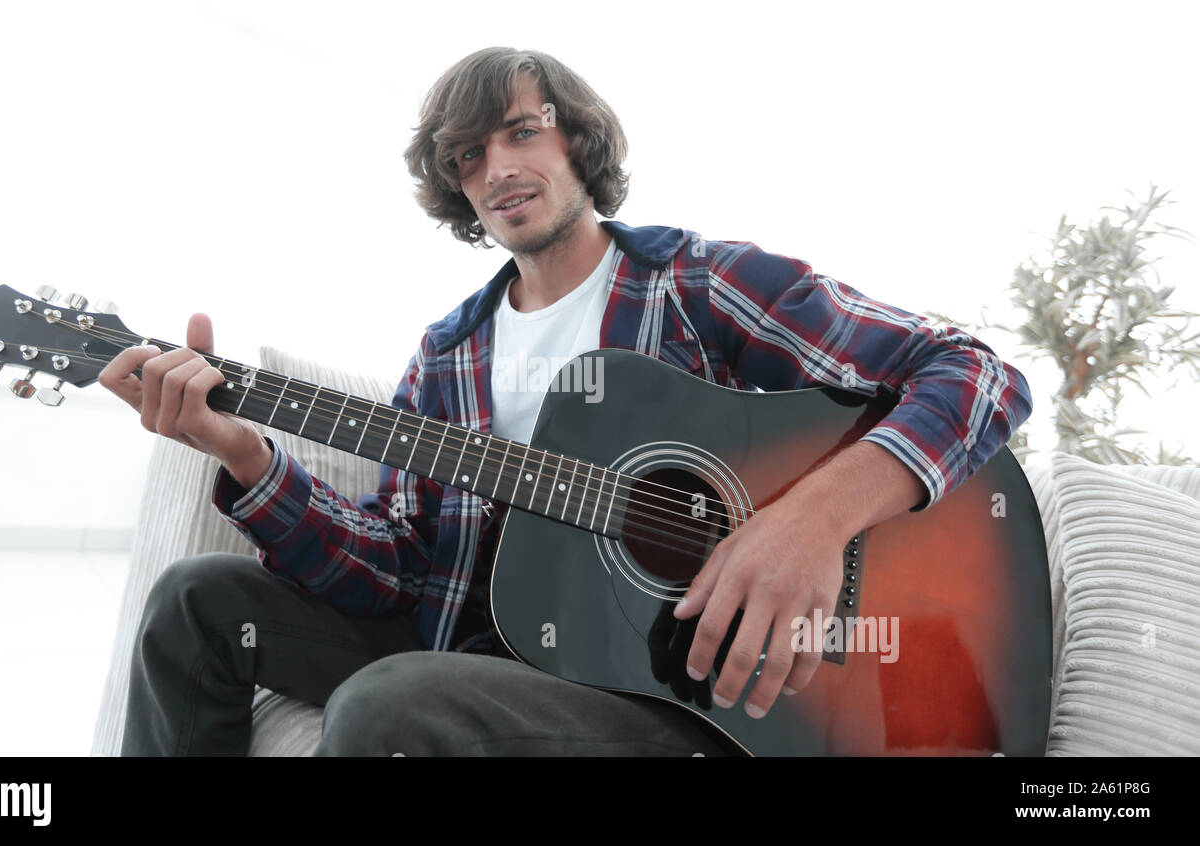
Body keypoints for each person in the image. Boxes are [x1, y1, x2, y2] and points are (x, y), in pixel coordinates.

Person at [103, 47, 1032, 756]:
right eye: (468, 155)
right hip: (479, 655)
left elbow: (976, 375)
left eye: (521, 131)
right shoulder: (449, 355)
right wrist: (246, 456)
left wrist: (811, 526)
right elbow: (393, 574)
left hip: (675, 693)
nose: (498, 167)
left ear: (574, 137)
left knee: (386, 707)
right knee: (194, 602)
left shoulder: (696, 284)